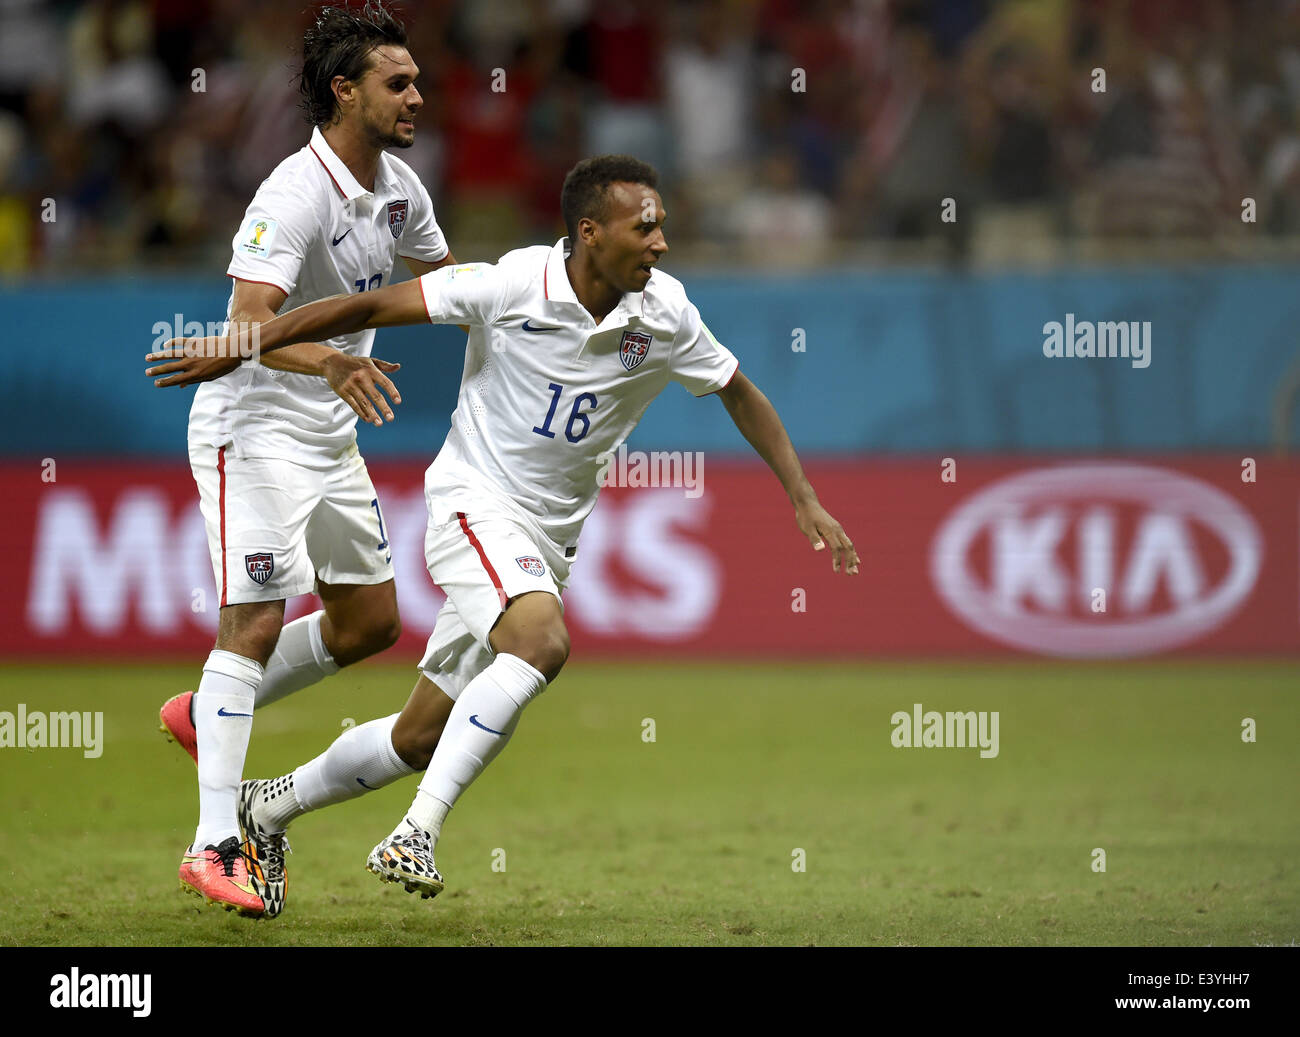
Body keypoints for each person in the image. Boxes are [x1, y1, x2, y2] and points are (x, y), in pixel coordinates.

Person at [146, 154, 858, 912]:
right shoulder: (510, 284)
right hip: (472, 505)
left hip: (545, 542)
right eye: (644, 227)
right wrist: (241, 342)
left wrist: (803, 495)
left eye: (662, 226)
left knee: (418, 737)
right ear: (590, 233)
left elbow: (739, 391)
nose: (661, 243)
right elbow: (368, 309)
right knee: (542, 642)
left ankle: (266, 807)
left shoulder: (666, 314)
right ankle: (416, 831)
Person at [152, 1, 456, 919]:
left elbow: (441, 282)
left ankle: (204, 714)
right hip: (256, 426)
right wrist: (327, 355)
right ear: (344, 92)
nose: (416, 95)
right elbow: (246, 325)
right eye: (396, 82)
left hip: (329, 431)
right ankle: (214, 846)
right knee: (250, 621)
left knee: (371, 622)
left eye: (416, 80)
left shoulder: (401, 188)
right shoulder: (292, 194)